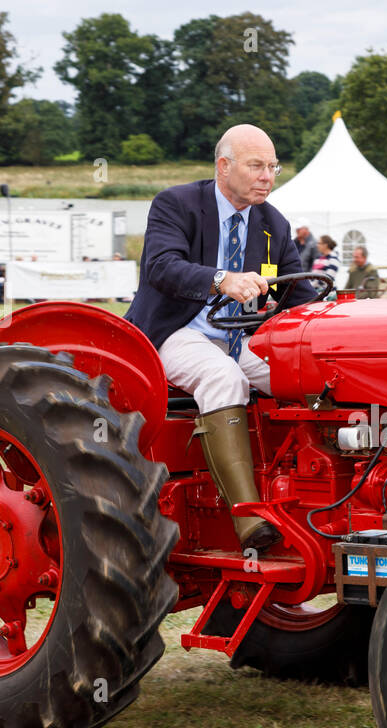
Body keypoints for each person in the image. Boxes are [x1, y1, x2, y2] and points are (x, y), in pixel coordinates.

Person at [124, 123, 313, 553]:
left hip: (237, 340)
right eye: (256, 166)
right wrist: (220, 279)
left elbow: (296, 293)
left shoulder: (272, 225)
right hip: (176, 332)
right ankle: (248, 516)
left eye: (273, 167)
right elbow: (162, 267)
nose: (267, 176)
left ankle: (305, 498)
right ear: (223, 166)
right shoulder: (177, 205)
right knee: (224, 378)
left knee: (300, 378)